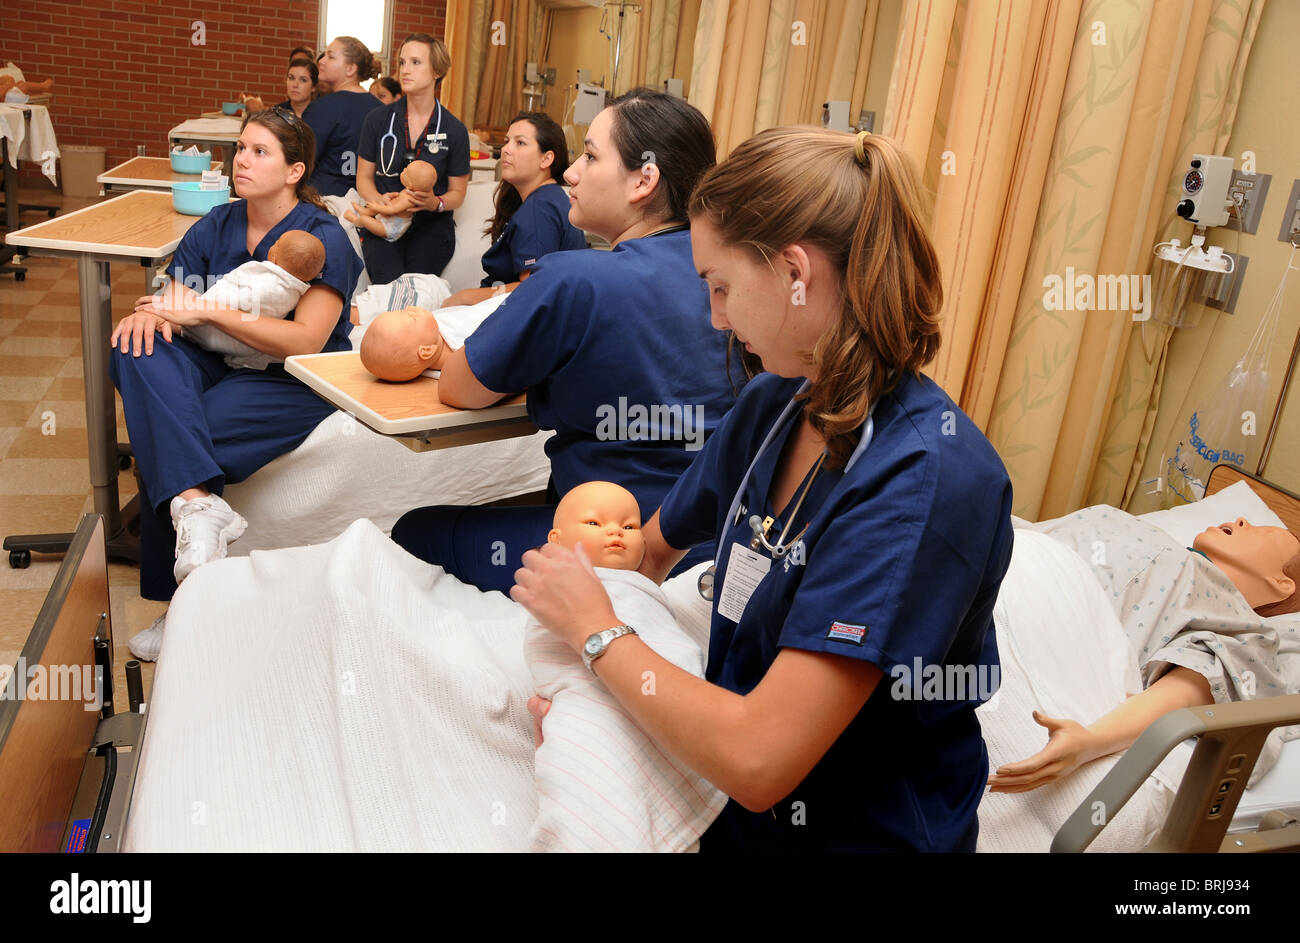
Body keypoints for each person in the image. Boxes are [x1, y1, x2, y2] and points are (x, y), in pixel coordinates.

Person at [510, 127, 1016, 852]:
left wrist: (598, 637)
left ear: (794, 273)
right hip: (725, 772)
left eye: (721, 286)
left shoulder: (926, 482)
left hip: (849, 826)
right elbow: (645, 556)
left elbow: (759, 759)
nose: (715, 317)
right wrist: (590, 695)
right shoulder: (772, 406)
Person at [390, 89, 744, 594]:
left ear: (644, 179)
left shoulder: (573, 279)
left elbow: (460, 389)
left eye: (591, 156)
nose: (571, 173)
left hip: (618, 543)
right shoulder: (736, 277)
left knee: (414, 530)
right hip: (718, 535)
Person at [108, 107, 362, 661]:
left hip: (291, 377)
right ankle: (200, 508)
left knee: (175, 437)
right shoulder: (215, 225)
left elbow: (306, 341)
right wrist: (150, 314)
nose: (241, 160)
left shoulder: (323, 239)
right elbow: (173, 305)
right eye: (240, 148)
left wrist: (210, 314)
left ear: (295, 171)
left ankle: (184, 608)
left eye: (259, 152)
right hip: (211, 360)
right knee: (134, 345)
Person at [988, 514, 1299, 793]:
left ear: (1281, 585)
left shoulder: (1238, 622)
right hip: (999, 566)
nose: (1243, 519)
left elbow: (1194, 684)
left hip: (1020, 622)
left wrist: (1091, 741)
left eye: (1266, 532)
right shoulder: (1134, 527)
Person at [440, 111, 586, 308]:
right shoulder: (548, 199)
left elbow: (533, 290)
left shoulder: (539, 210)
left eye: (520, 143)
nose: (506, 149)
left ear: (546, 159)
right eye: (507, 141)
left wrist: (466, 298)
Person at [356, 33, 470, 282]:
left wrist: (435, 203)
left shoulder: (454, 130)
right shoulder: (377, 120)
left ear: (437, 71)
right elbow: (363, 178)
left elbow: (457, 194)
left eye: (416, 62)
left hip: (431, 228)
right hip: (385, 223)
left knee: (415, 290)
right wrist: (379, 202)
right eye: (402, 62)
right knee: (388, 286)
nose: (405, 70)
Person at [302, 36, 384, 197]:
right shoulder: (382, 109)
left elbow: (302, 161)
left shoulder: (322, 108)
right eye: (324, 55)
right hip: (368, 204)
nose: (322, 61)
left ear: (350, 69)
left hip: (324, 203)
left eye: (331, 57)